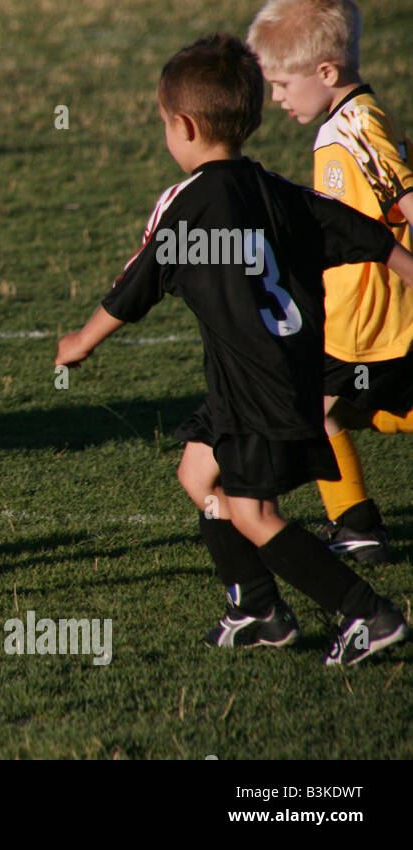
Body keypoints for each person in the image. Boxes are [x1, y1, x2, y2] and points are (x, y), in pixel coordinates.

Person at [55, 33, 413, 664]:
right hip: (271, 377)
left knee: (251, 512)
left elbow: (137, 284)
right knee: (197, 473)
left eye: (165, 123)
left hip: (257, 388)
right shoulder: (277, 190)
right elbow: (370, 235)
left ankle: (368, 614)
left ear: (185, 126)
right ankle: (257, 608)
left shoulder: (187, 204)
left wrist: (81, 341)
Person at [248, 0, 413, 564]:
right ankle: (357, 523)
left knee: (314, 409)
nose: (276, 98)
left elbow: (406, 198)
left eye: (280, 84)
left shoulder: (358, 128)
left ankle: (357, 525)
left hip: (365, 319)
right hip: (363, 315)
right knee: (343, 408)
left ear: (326, 72)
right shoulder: (344, 123)